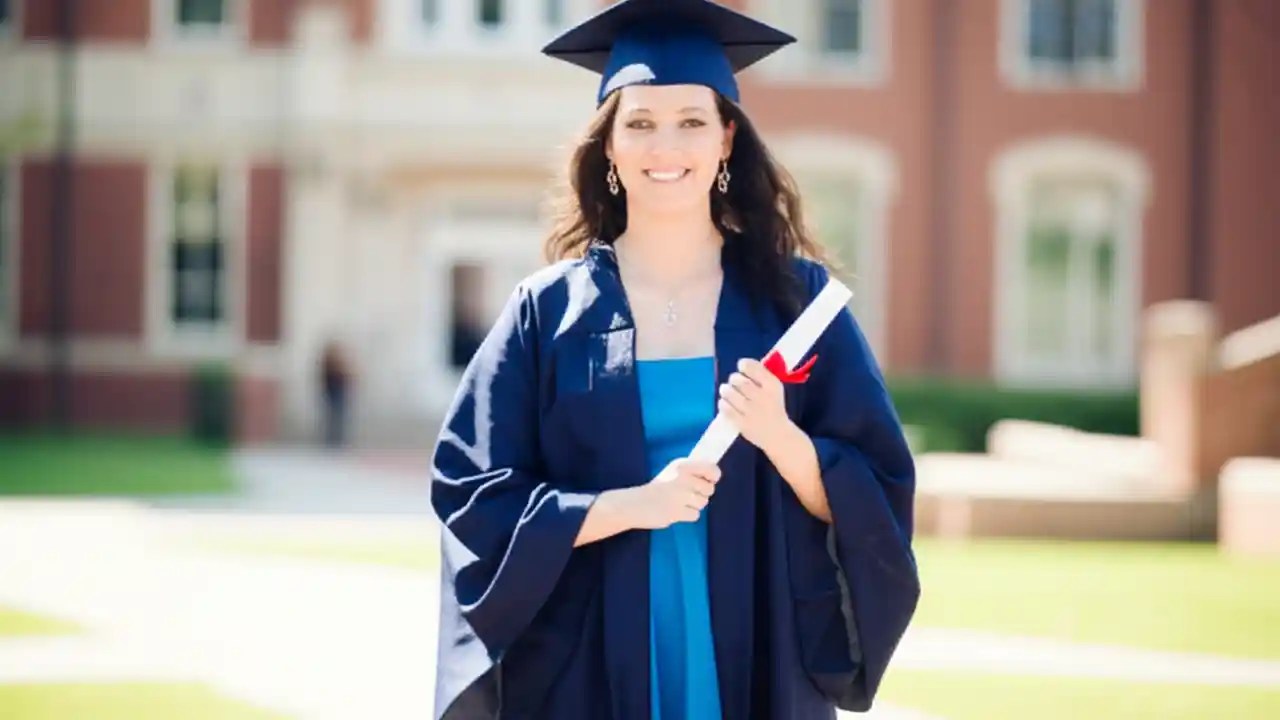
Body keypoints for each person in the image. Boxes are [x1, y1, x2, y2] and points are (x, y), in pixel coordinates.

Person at [429, 1, 919, 718]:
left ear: (726, 139)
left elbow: (877, 491)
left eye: (692, 121)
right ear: (610, 148)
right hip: (589, 659)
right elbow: (473, 498)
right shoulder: (547, 312)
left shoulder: (795, 307)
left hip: (755, 646)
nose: (666, 146)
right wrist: (629, 507)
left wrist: (781, 438)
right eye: (640, 123)